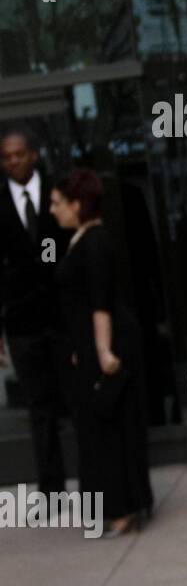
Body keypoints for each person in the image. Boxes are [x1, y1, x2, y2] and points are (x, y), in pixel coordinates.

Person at [50, 169, 153, 537]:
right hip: (93, 344)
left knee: (110, 429)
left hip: (109, 343)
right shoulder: (81, 240)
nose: (53, 210)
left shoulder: (95, 242)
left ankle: (123, 510)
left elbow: (100, 304)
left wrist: (103, 351)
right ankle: (118, 507)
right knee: (100, 429)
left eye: (58, 203)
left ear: (77, 204)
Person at [0, 123, 72, 496]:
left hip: (62, 317)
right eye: (6, 157)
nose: (13, 161)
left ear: (33, 155)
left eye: (18, 154)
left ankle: (98, 481)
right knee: (39, 408)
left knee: (76, 398)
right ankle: (52, 488)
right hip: (22, 323)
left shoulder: (58, 193)